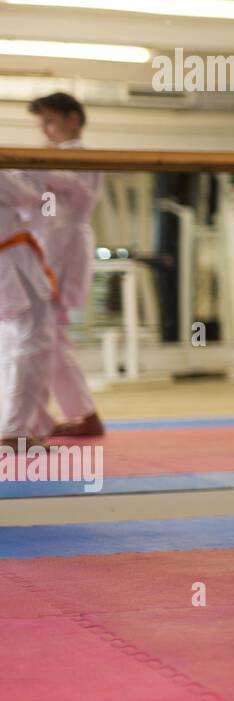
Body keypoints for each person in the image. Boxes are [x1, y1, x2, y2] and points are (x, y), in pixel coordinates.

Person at [25, 92, 105, 440]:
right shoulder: (48, 161)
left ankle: (75, 414)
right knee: (45, 334)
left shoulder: (83, 159)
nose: (45, 130)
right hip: (45, 246)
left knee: (46, 333)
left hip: (65, 247)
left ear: (73, 118)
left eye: (51, 121)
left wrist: (41, 171)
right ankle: (76, 413)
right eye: (41, 123)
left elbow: (80, 195)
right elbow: (39, 206)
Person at [0, 169, 57, 447]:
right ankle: (15, 433)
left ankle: (16, 425)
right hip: (9, 261)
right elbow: (29, 197)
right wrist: (31, 170)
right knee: (33, 342)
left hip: (9, 258)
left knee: (9, 344)